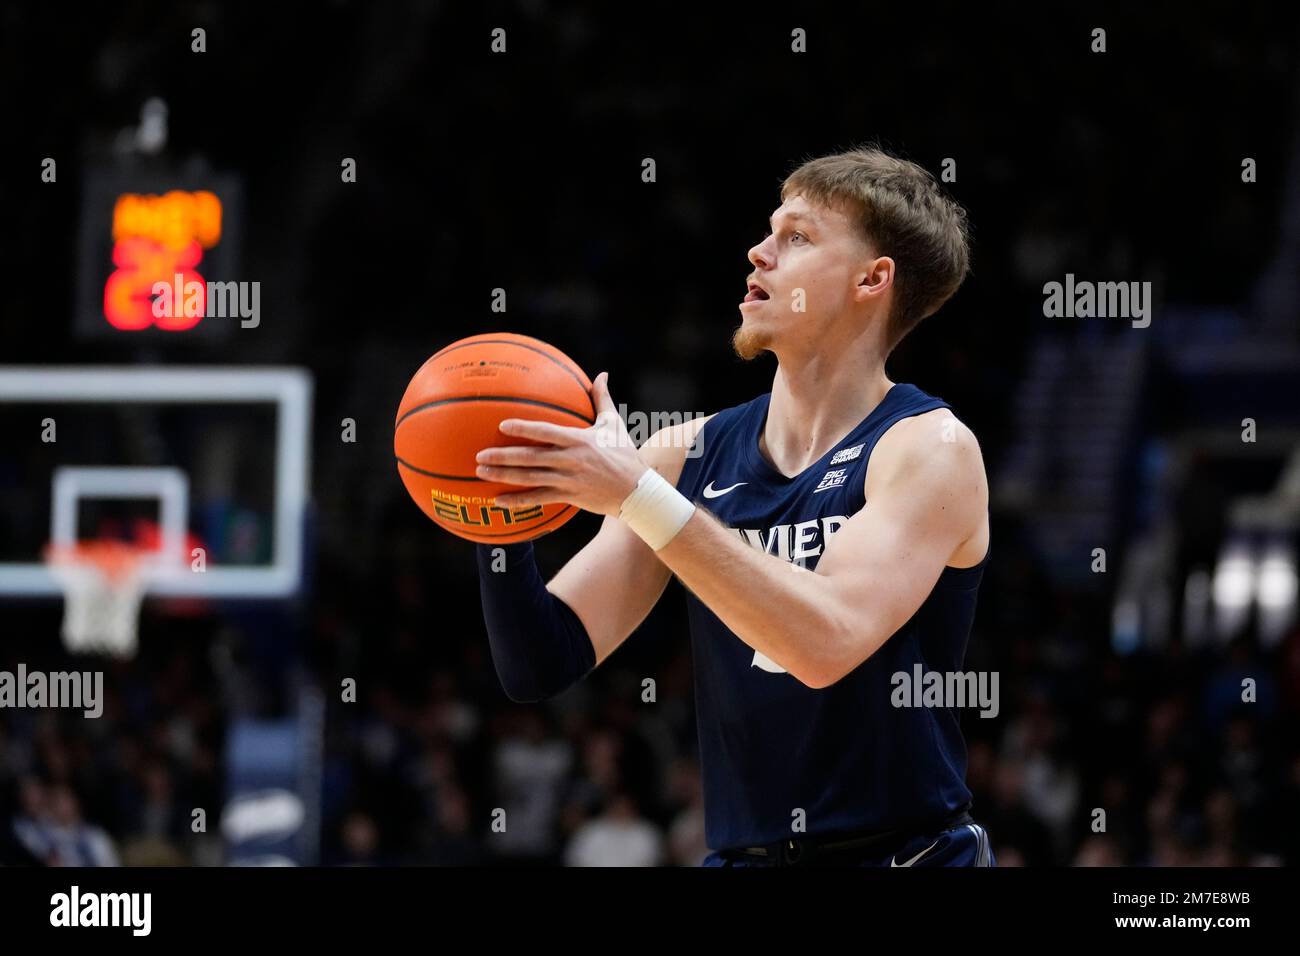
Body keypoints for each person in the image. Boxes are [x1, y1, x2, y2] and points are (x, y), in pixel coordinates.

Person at [475, 147, 993, 867]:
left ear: (873, 279)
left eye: (798, 237)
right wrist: (494, 509)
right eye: (768, 229)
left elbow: (824, 643)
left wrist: (637, 494)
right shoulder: (682, 457)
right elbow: (540, 660)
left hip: (903, 855)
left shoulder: (928, 449)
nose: (758, 251)